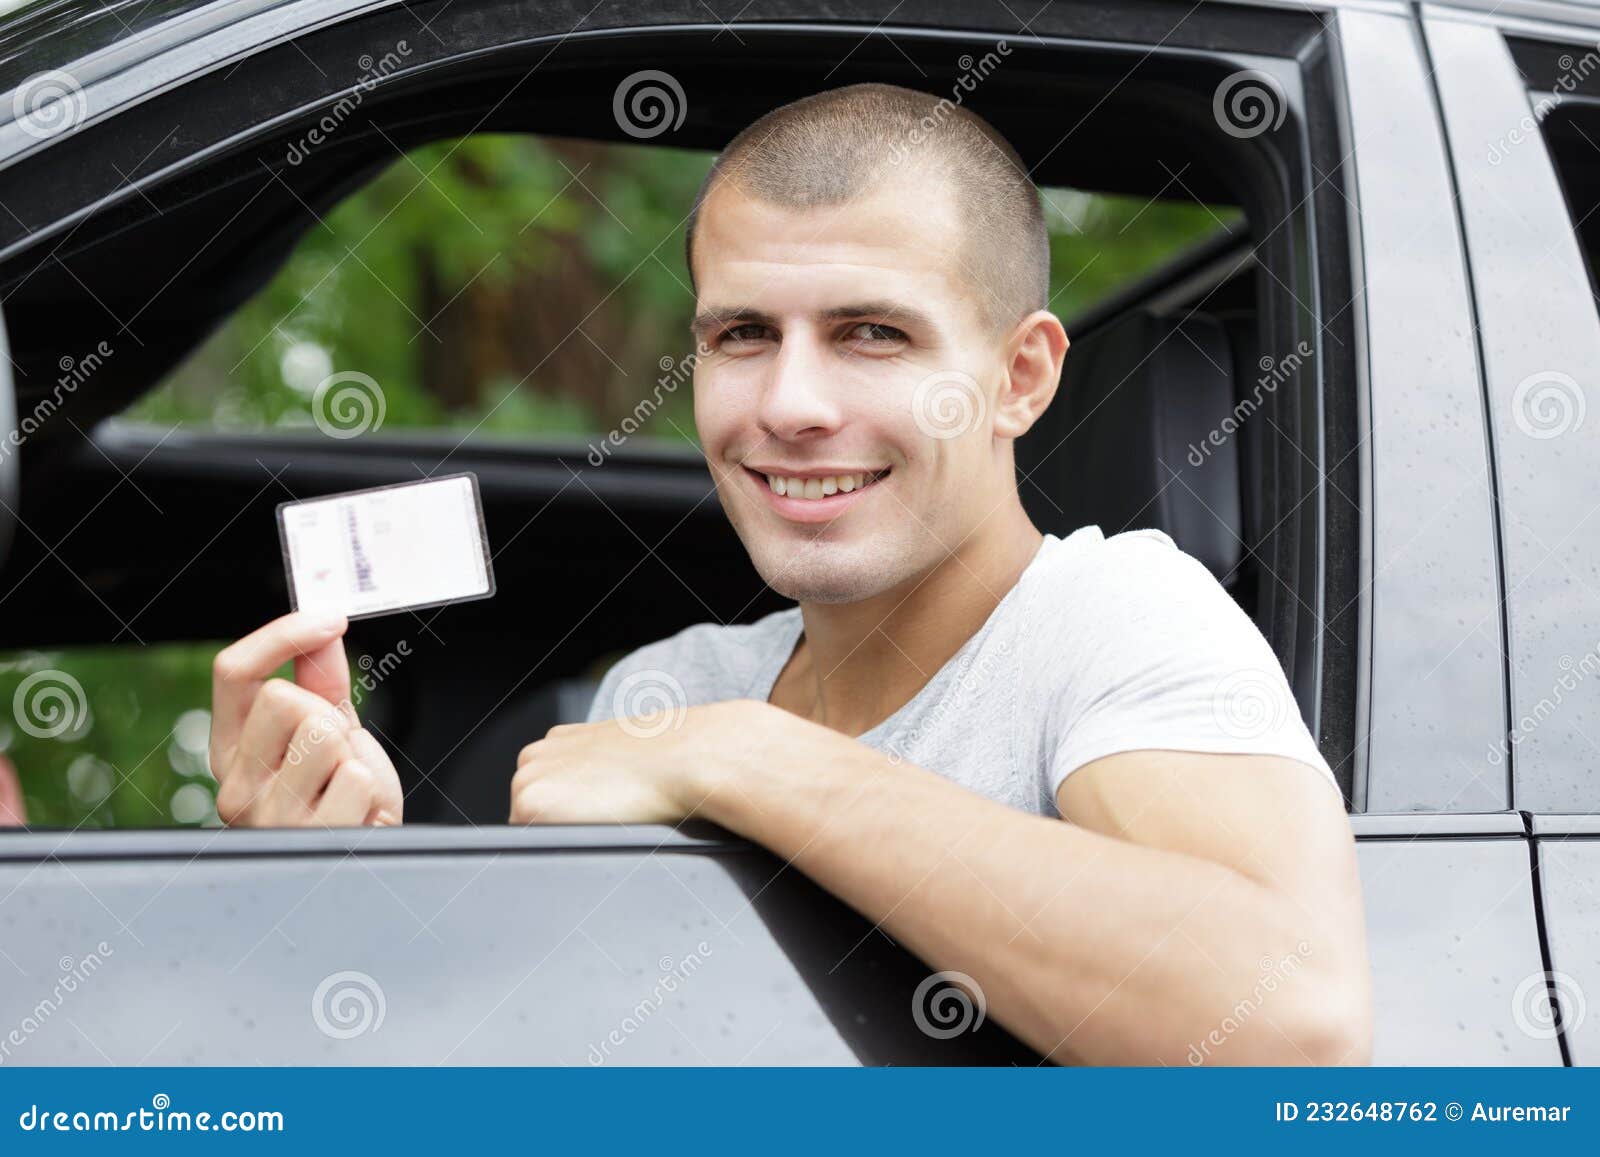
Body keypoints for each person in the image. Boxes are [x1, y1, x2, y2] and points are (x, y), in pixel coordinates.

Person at [208, 83, 1372, 1065]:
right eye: (742, 335)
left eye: (873, 334)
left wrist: (752, 757)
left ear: (1019, 377)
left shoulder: (1110, 617)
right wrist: (328, 888)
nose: (790, 405)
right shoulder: (671, 685)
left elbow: (1291, 1016)